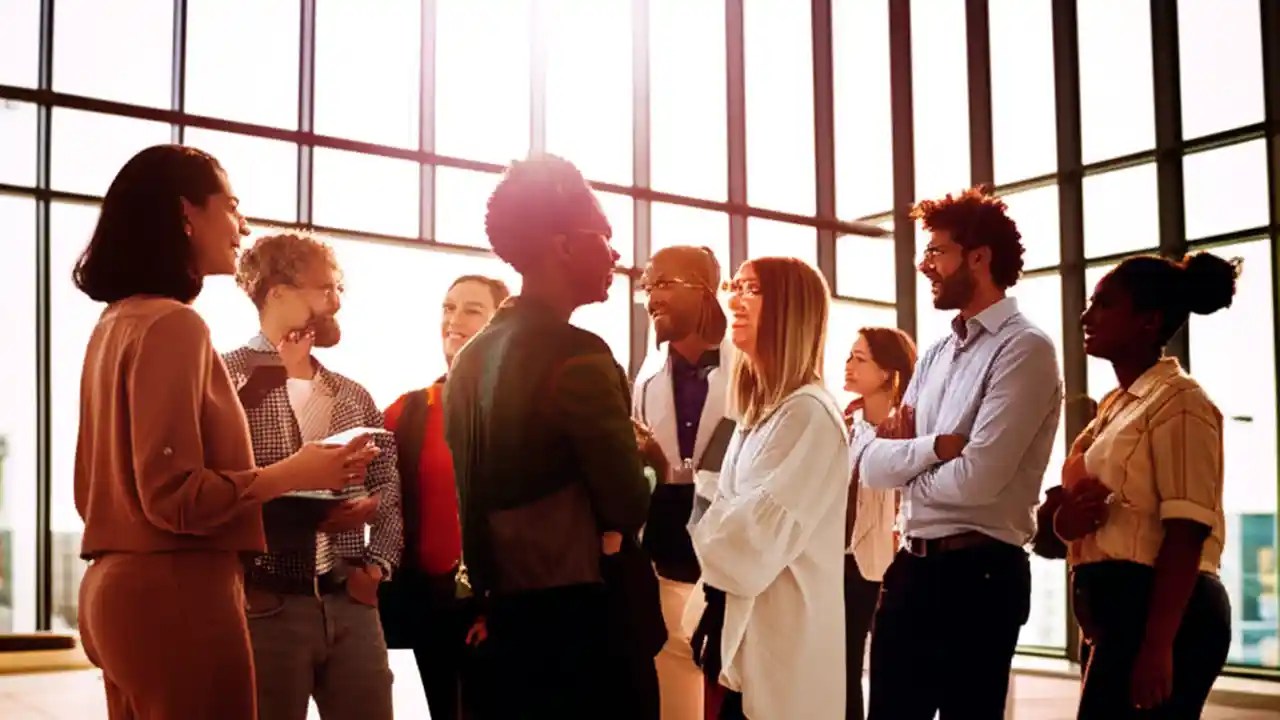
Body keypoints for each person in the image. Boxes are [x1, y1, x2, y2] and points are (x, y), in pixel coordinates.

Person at [72, 145, 377, 720]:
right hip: (177, 593)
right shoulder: (176, 325)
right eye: (231, 207)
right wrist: (297, 472)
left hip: (118, 591)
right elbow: (175, 496)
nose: (242, 225)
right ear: (186, 214)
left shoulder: (117, 323)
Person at [442, 154, 653, 718]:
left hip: (503, 621)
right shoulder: (578, 354)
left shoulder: (470, 359)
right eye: (604, 238)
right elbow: (627, 500)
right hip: (584, 630)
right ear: (563, 245)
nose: (615, 255)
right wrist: (647, 459)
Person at [860, 188, 1062, 719]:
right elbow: (872, 464)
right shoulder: (934, 354)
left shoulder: (1026, 349)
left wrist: (908, 467)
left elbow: (977, 481)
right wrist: (930, 453)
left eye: (937, 253)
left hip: (980, 578)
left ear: (979, 257)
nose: (925, 265)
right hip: (911, 569)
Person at [1038, 253, 1238, 718]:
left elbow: (1187, 531)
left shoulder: (1181, 402)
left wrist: (1157, 647)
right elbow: (1060, 517)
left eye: (1104, 305)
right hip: (1116, 621)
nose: (1087, 316)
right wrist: (1066, 521)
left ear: (1148, 322)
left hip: (1163, 616)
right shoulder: (1114, 409)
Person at [223, 232, 404, 720]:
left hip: (350, 599)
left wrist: (376, 569)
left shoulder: (351, 394)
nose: (336, 301)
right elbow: (219, 482)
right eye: (324, 289)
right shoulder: (223, 378)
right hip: (265, 603)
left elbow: (388, 484)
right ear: (277, 293)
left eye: (337, 287)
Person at [689, 257, 849, 720]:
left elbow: (745, 552)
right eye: (735, 286)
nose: (734, 300)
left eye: (752, 289)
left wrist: (703, 513)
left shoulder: (808, 416)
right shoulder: (758, 414)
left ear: (790, 309)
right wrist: (714, 514)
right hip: (740, 645)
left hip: (779, 653)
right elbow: (721, 519)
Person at [380, 274, 510, 720]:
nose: (453, 320)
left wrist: (497, 608)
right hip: (424, 608)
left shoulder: (525, 414)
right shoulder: (409, 410)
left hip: (503, 607)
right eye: (448, 307)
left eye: (472, 310)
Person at [632, 246, 734, 720]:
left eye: (663, 283)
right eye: (648, 286)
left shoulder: (753, 366)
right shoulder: (647, 377)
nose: (651, 296)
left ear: (705, 288)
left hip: (735, 557)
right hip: (668, 555)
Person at [840, 326, 916, 720]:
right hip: (844, 562)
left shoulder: (909, 427)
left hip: (891, 565)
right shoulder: (844, 424)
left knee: (893, 675)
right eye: (850, 356)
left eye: (859, 358)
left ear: (888, 371)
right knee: (842, 669)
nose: (848, 365)